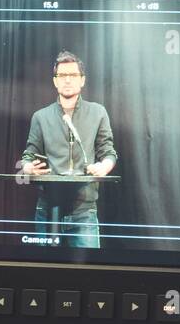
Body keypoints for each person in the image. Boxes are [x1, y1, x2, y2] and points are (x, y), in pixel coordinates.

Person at [20, 50, 117, 249]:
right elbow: (28, 154)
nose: (67, 80)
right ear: (55, 81)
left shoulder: (97, 113)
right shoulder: (41, 117)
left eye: (72, 75)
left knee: (88, 276)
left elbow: (108, 152)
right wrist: (28, 167)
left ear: (82, 80)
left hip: (83, 213)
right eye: (62, 76)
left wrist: (104, 166)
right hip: (47, 212)